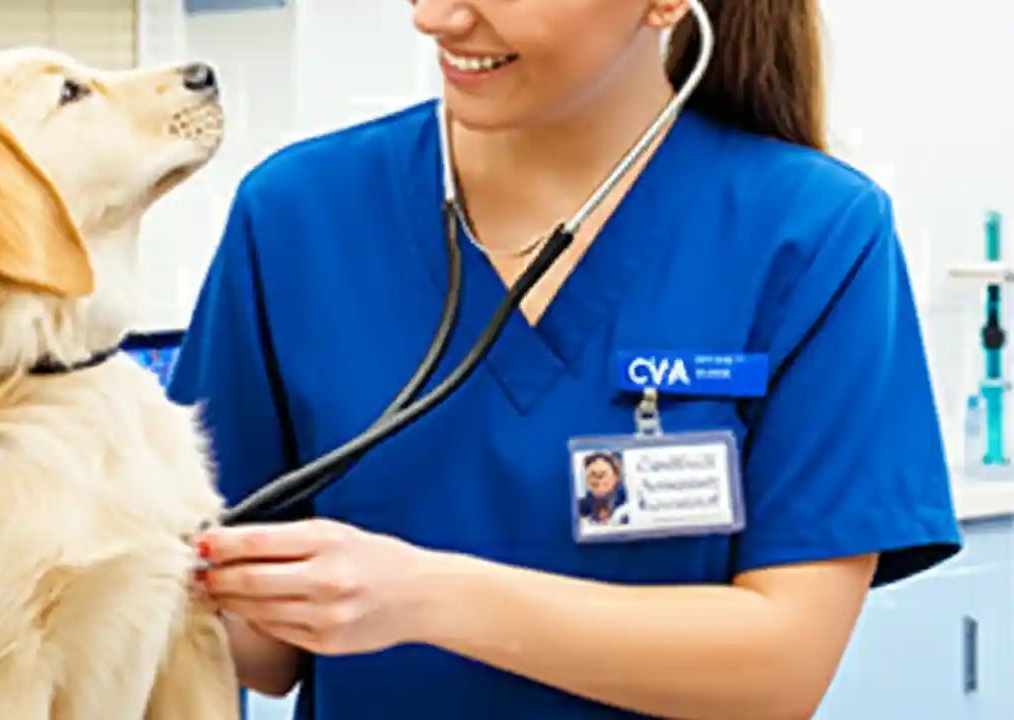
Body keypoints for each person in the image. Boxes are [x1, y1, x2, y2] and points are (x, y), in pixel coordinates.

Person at [165, 0, 962, 718]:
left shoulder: (813, 232)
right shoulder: (298, 216)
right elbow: (257, 649)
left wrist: (424, 597)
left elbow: (778, 669)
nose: (436, 17)